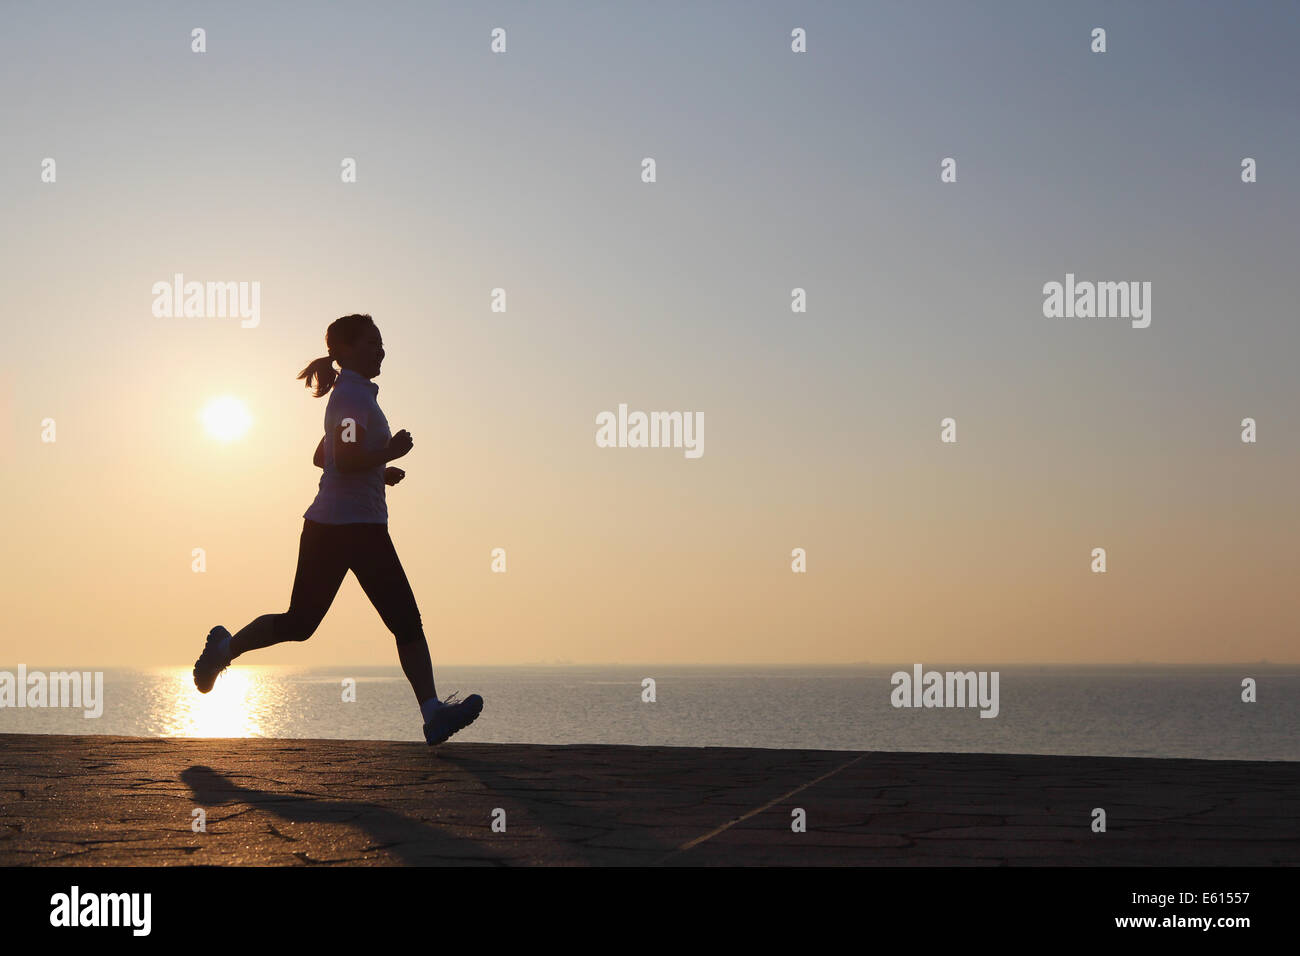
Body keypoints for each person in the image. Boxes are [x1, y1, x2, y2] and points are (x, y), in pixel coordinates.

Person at [192, 313, 483, 746]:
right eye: (371, 344)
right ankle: (432, 714)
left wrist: (377, 471)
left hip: (339, 526)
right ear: (344, 351)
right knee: (395, 621)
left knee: (313, 622)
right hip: (349, 529)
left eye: (381, 344)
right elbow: (342, 460)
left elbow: (323, 456)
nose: (380, 351)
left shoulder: (355, 396)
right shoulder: (351, 397)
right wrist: (388, 452)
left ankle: (225, 649)